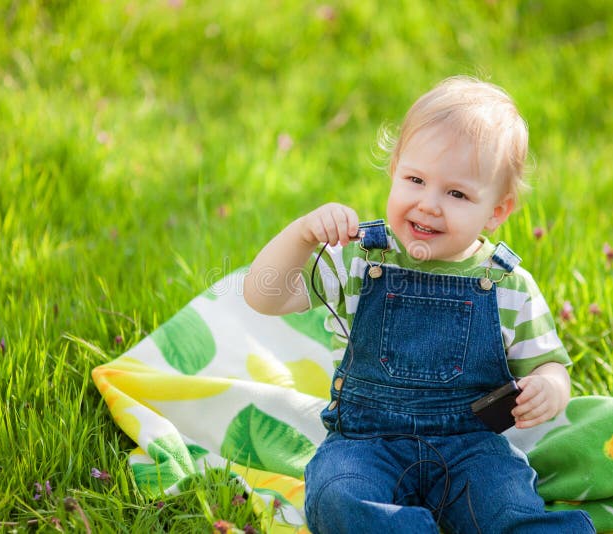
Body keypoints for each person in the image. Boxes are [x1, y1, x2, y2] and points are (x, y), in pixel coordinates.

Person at [243, 76, 594, 534]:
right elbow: (262, 294)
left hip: (472, 448)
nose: (428, 204)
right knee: (338, 494)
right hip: (366, 442)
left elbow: (549, 363)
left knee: (507, 505)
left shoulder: (508, 284)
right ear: (394, 171)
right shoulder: (358, 258)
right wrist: (301, 235)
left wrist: (550, 386)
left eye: (457, 194)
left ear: (497, 211)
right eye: (415, 180)